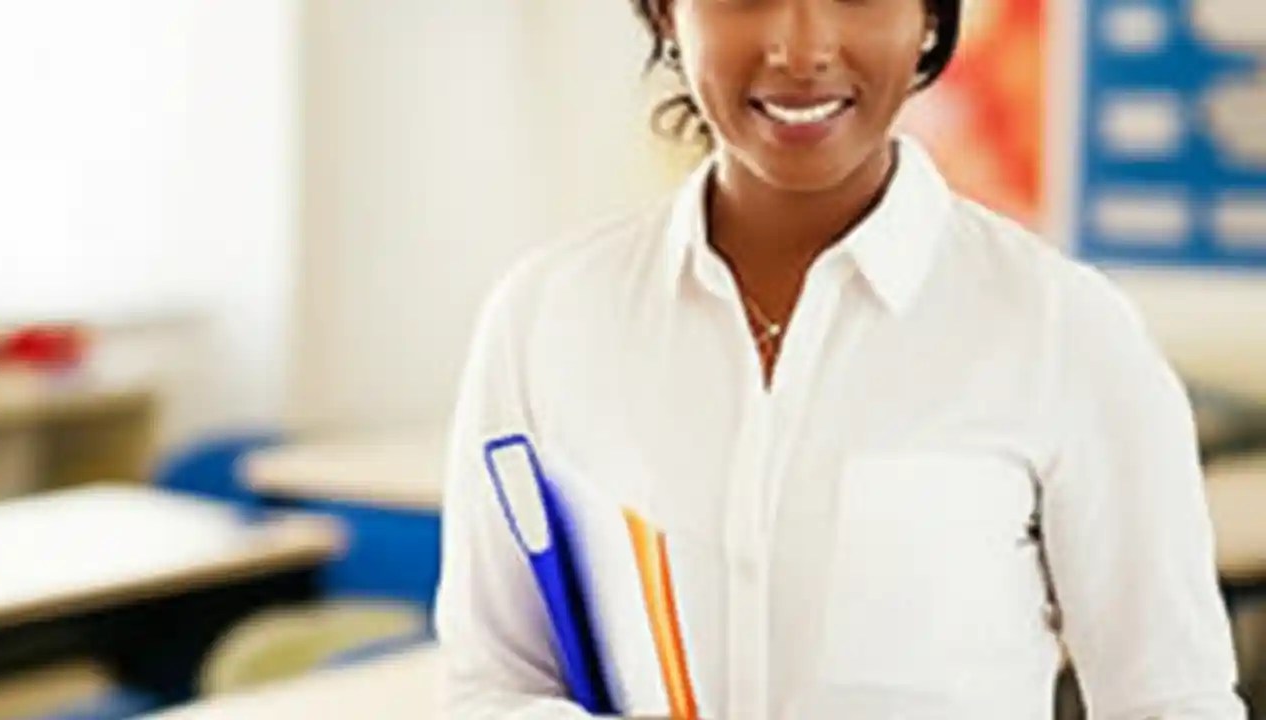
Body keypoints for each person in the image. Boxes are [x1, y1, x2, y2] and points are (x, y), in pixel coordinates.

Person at [435, 0, 1246, 717]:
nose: (802, 47)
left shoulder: (1063, 329)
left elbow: (1169, 700)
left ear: (929, 16)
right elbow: (486, 683)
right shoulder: (547, 317)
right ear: (663, 15)